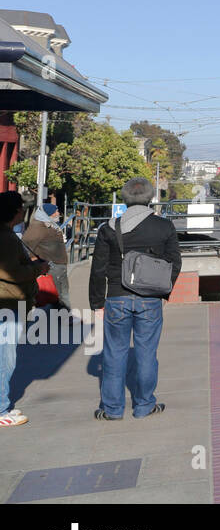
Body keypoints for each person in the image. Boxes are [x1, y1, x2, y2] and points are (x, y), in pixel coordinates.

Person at [89, 177, 182, 420]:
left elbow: (98, 269)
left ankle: (112, 410)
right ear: (150, 198)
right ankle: (144, 405)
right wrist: (163, 290)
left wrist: (97, 302)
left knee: (114, 353)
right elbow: (175, 262)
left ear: (124, 199)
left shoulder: (108, 228)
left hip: (116, 299)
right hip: (150, 300)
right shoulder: (164, 227)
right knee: (146, 353)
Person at [0, 191, 46, 428]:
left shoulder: (7, 235)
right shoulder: (6, 238)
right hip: (6, 304)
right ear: (15, 211)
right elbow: (11, 273)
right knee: (5, 358)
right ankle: (1, 409)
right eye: (21, 208)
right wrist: (37, 270)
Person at [23, 203, 69, 309]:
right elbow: (25, 245)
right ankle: (58, 319)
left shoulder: (50, 224)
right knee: (54, 296)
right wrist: (35, 259)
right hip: (52, 266)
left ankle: (65, 318)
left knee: (63, 295)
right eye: (56, 211)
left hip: (59, 265)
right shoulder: (38, 227)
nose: (58, 213)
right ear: (49, 214)